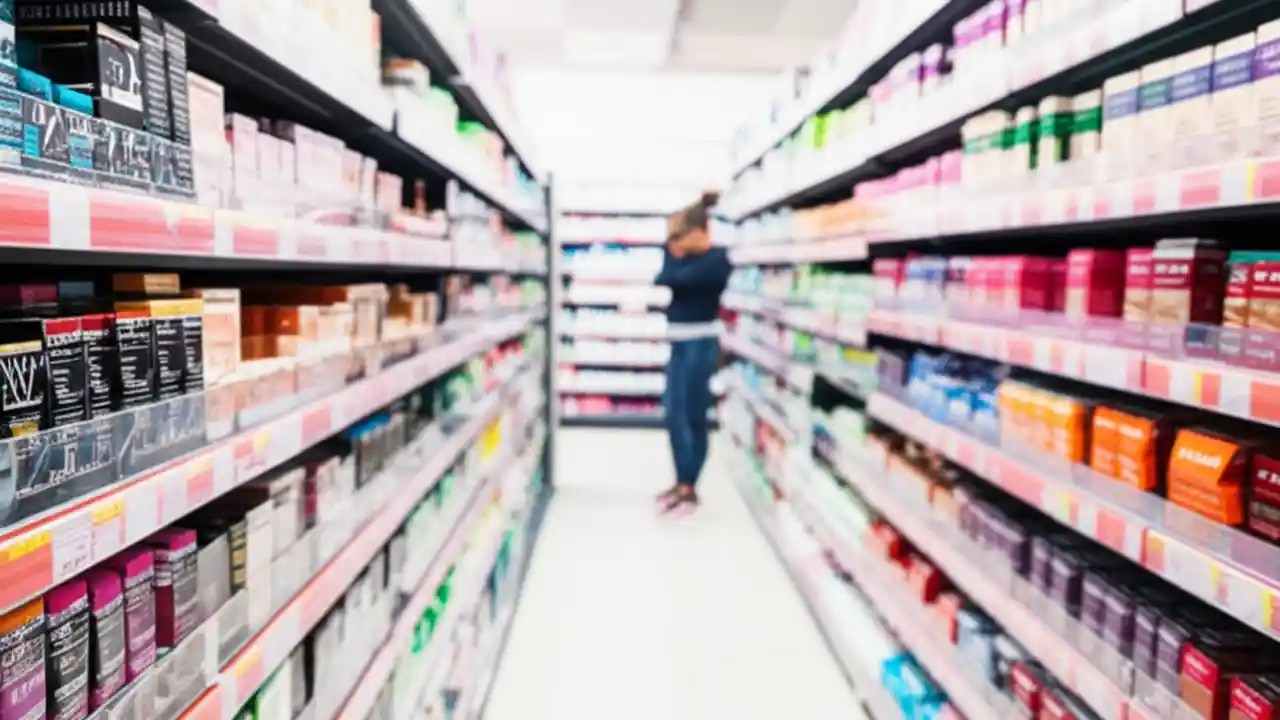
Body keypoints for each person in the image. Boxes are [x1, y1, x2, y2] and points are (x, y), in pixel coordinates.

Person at [653, 192, 731, 515]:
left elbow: (685, 279)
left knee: (694, 415)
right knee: (673, 413)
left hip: (702, 343)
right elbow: (664, 276)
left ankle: (689, 486)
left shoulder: (719, 259)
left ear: (702, 231)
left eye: (683, 235)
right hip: (678, 342)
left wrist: (680, 265)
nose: (677, 243)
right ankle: (682, 479)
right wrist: (676, 255)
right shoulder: (678, 254)